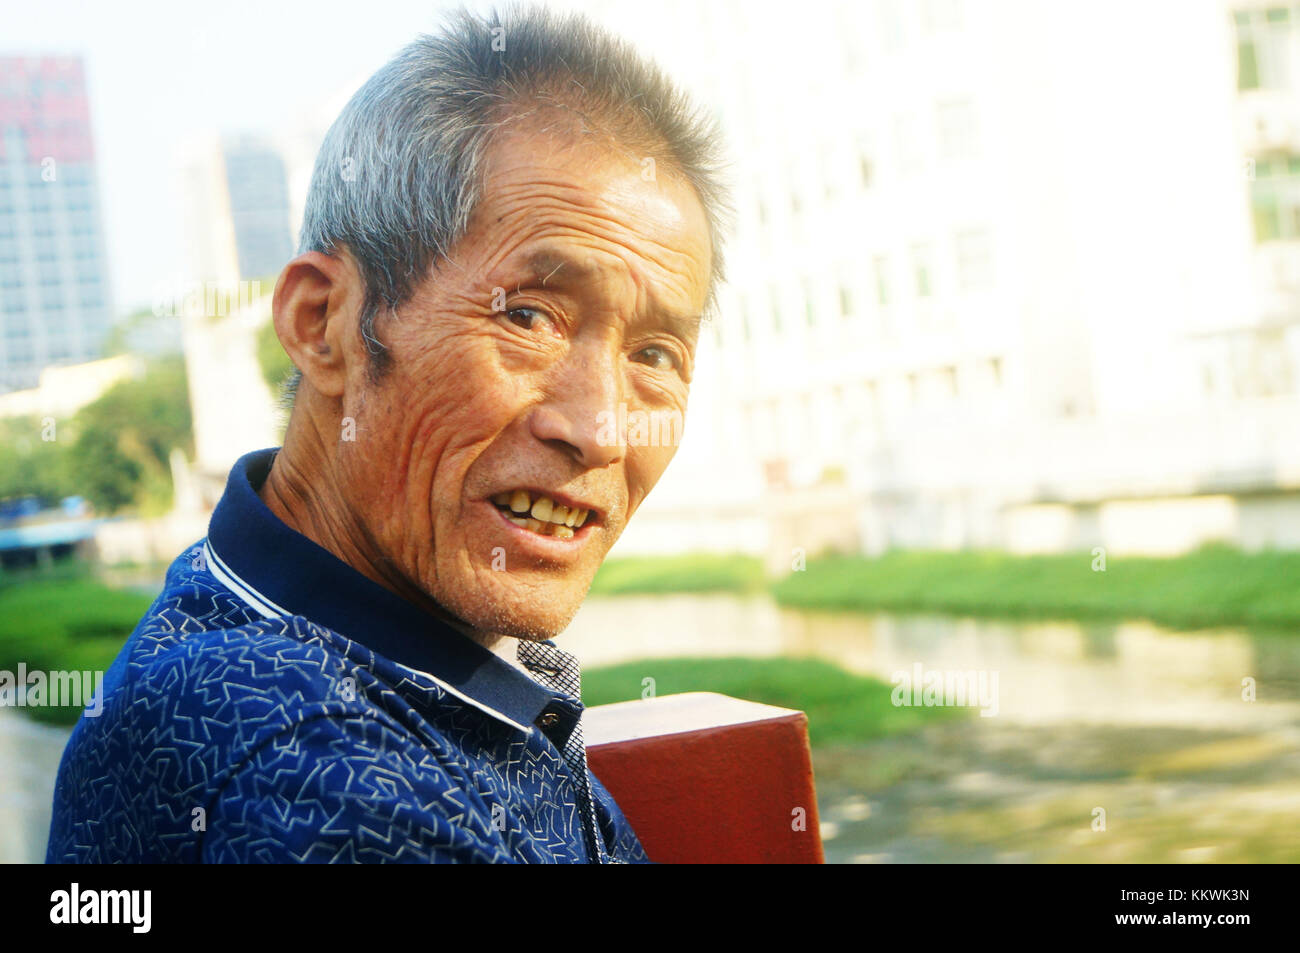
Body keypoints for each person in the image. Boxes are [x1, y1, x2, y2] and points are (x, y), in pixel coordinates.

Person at [46, 3, 729, 863]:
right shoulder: (326, 786)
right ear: (323, 320)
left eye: (656, 351)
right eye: (527, 314)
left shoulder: (284, 609)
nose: (602, 429)